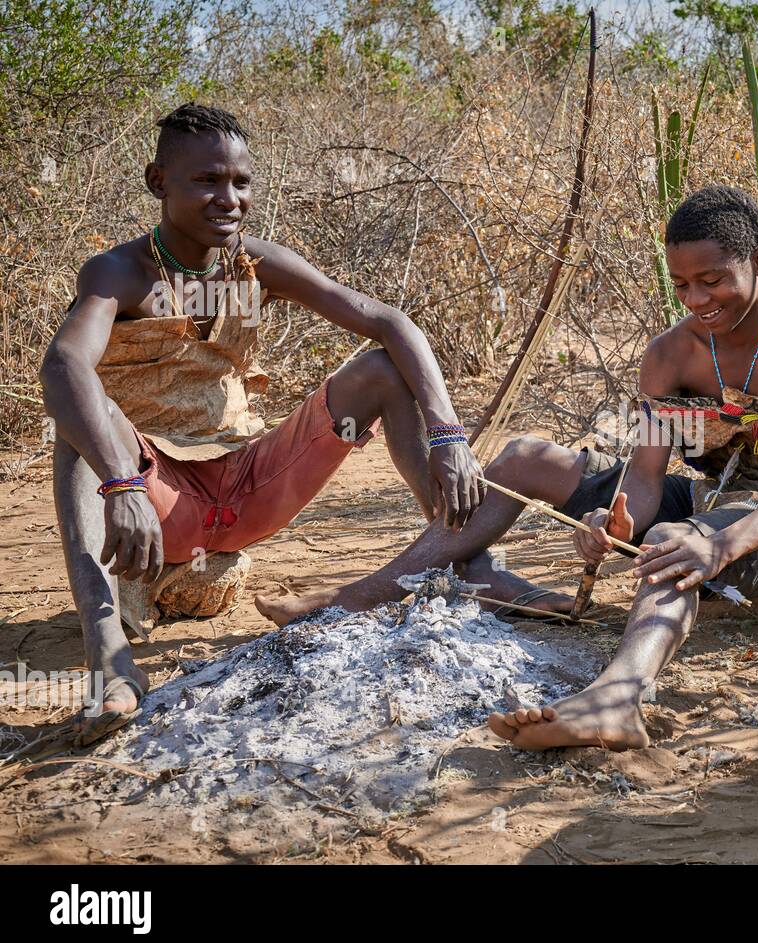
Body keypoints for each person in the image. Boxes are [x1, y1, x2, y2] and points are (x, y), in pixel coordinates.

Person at [256, 185, 758, 751]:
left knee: (673, 543)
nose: (697, 300)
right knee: (527, 460)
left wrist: (718, 545)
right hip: (712, 500)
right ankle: (362, 596)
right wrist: (615, 519)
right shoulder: (670, 353)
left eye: (713, 281)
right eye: (681, 285)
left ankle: (618, 700)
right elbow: (648, 478)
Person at [41, 103, 483, 745]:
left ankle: (460, 558)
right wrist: (122, 483)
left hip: (250, 487)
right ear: (156, 181)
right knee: (78, 422)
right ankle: (109, 660)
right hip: (153, 495)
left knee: (384, 370)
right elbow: (61, 365)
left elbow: (388, 320)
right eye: (207, 181)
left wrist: (448, 435)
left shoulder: (257, 264)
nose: (229, 198)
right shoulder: (120, 273)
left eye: (241, 182)